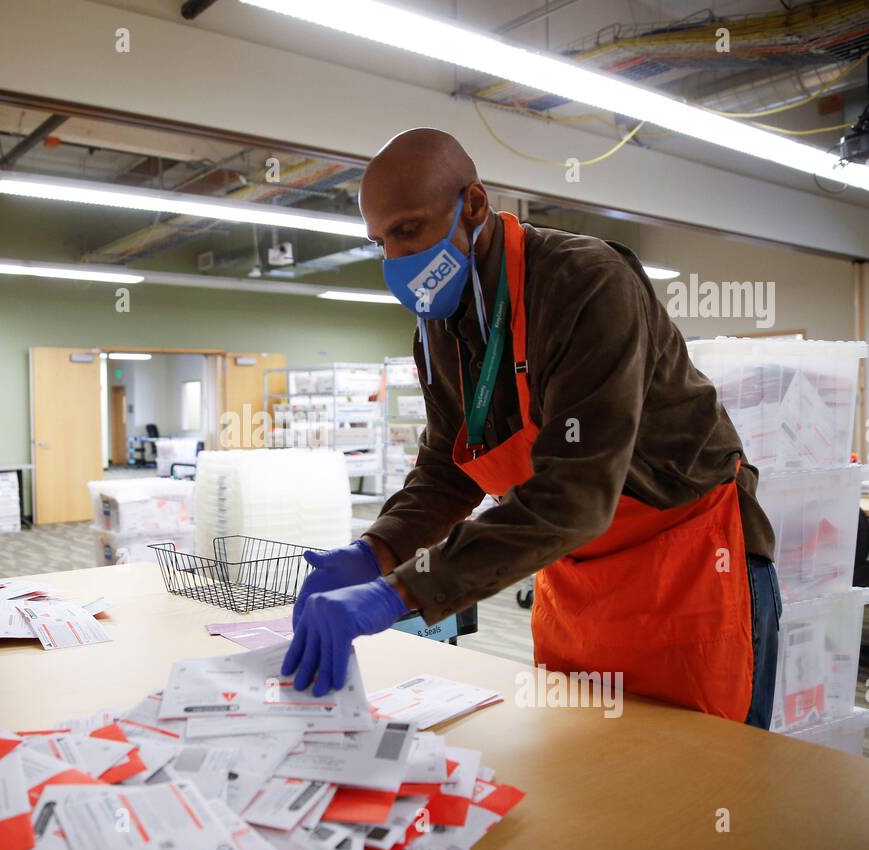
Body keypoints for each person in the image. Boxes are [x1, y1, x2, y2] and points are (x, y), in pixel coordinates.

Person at [283, 128, 780, 729]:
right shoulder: (438, 327)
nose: (395, 259)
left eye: (408, 229)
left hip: (689, 569)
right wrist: (377, 549)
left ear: (473, 204)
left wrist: (401, 592)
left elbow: (575, 493)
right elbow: (448, 467)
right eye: (380, 241)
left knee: (706, 788)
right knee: (585, 780)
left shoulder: (585, 283)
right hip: (573, 577)